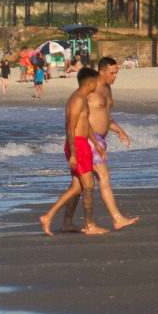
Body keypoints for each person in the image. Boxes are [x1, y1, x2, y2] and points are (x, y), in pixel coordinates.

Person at [39, 68, 107, 236]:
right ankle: (88, 224)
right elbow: (70, 128)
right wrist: (74, 153)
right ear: (91, 83)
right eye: (96, 82)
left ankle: (67, 222)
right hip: (77, 145)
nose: (97, 85)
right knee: (89, 186)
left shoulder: (82, 98)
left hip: (83, 143)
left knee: (77, 187)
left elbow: (85, 124)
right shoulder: (77, 99)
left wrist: (96, 144)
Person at [87, 57, 138, 230]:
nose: (115, 76)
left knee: (80, 185)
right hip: (89, 139)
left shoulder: (108, 90)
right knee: (104, 178)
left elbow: (105, 116)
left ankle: (60, 219)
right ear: (101, 72)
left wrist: (119, 130)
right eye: (112, 73)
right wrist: (93, 140)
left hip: (100, 139)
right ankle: (117, 218)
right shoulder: (90, 88)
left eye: (117, 73)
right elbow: (79, 115)